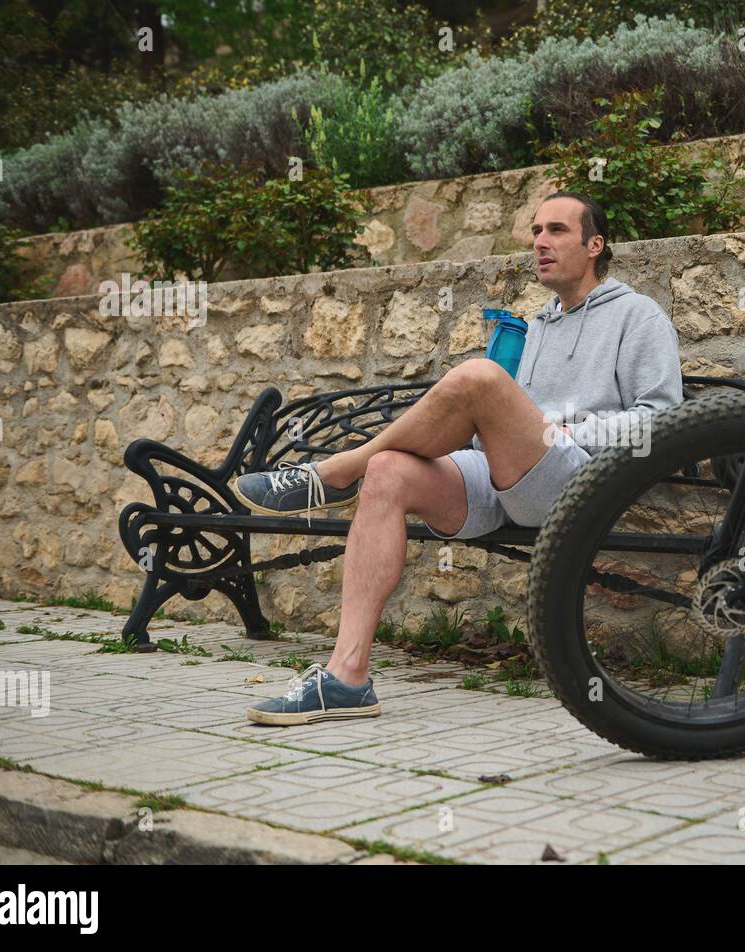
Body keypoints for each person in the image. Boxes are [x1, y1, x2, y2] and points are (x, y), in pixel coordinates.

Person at [232, 191, 684, 725]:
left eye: (557, 231)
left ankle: (337, 470)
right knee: (388, 473)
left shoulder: (637, 316)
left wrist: (570, 428)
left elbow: (662, 420)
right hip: (505, 475)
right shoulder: (537, 327)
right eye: (536, 230)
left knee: (478, 377)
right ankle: (346, 677)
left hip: (576, 479)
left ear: (594, 245)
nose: (540, 242)